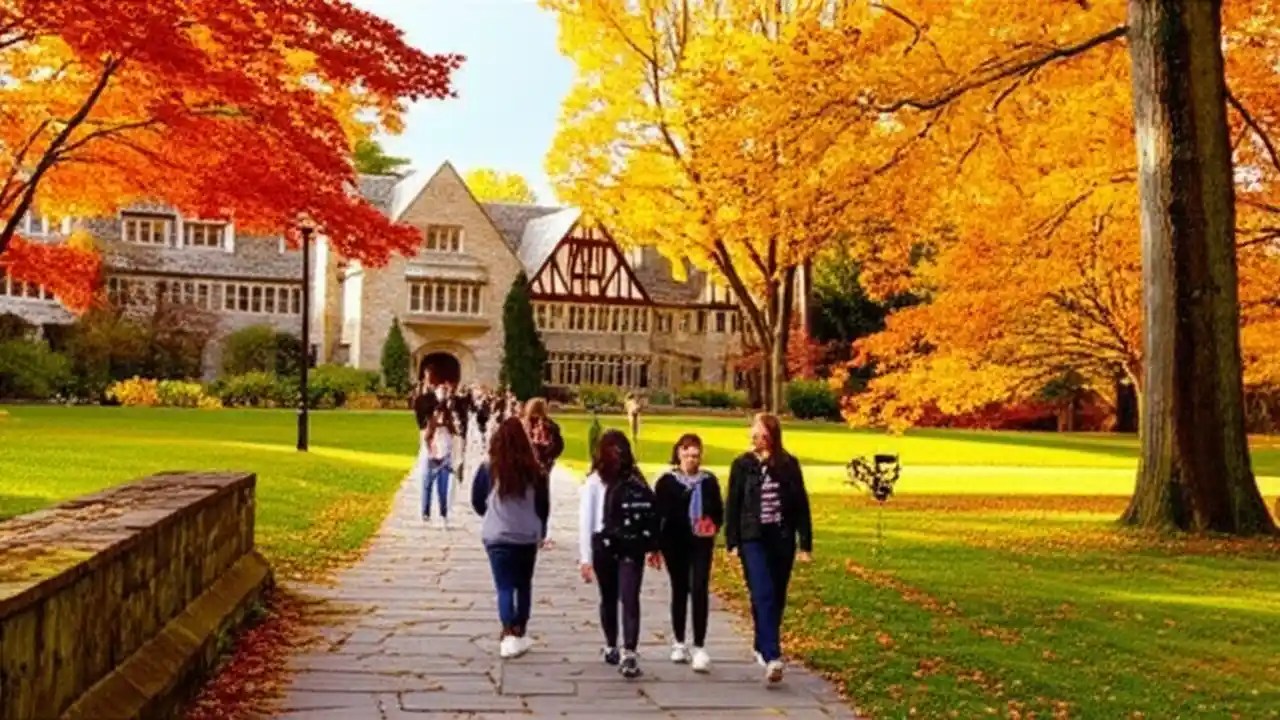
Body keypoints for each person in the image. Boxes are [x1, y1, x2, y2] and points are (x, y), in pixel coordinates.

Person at [725, 413, 813, 685]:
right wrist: (732, 541)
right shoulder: (742, 465)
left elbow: (800, 504)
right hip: (753, 538)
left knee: (775, 596)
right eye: (753, 430)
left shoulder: (787, 465)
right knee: (761, 591)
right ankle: (774, 655)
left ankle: (762, 642)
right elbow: (733, 504)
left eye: (759, 431)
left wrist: (805, 544)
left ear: (771, 435)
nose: (754, 435)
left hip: (781, 538)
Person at [578, 430, 660, 679]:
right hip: (604, 545)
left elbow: (649, 513)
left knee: (630, 596)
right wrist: (585, 557)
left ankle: (630, 650)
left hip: (630, 545)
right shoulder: (595, 482)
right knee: (609, 596)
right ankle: (612, 643)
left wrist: (653, 545)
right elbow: (587, 520)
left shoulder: (636, 481)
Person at [471, 417, 551, 659]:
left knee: (504, 585)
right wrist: (541, 531)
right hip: (526, 536)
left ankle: (507, 633)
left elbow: (477, 500)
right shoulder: (535, 471)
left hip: (497, 536)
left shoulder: (489, 469)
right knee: (523, 584)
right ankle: (520, 629)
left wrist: (492, 514)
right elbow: (542, 506)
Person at [654, 433, 723, 673]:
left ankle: (700, 645)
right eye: (688, 454)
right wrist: (655, 546)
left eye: (696, 455)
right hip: (675, 542)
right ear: (679, 453)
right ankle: (679, 640)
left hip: (701, 542)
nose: (692, 459)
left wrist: (711, 523)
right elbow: (658, 515)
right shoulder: (667, 482)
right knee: (679, 588)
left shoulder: (708, 481)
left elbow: (718, 511)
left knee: (700, 587)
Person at [422, 407, 457, 527]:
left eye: (442, 414)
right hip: (432, 460)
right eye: (437, 414)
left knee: (442, 489)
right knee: (427, 486)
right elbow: (426, 440)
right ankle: (426, 512)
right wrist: (431, 451)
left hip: (444, 461)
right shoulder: (431, 427)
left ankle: (443, 512)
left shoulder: (449, 429)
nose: (440, 417)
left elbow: (453, 445)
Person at [523, 397, 565, 477]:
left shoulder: (525, 424)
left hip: (534, 462)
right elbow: (558, 445)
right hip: (541, 462)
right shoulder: (549, 425)